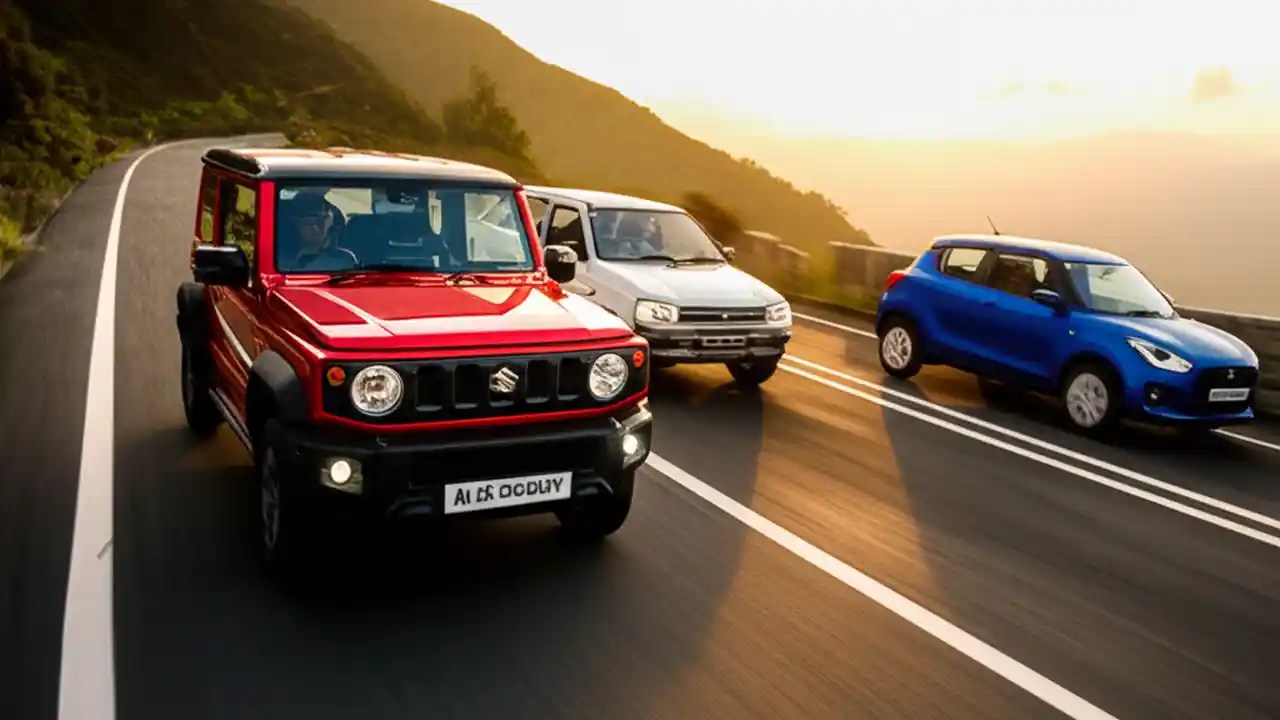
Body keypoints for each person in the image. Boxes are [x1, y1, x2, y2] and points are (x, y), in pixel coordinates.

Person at [276, 192, 359, 272]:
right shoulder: (277, 261)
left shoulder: (343, 260)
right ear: (294, 225)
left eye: (324, 219)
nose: (319, 228)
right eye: (309, 223)